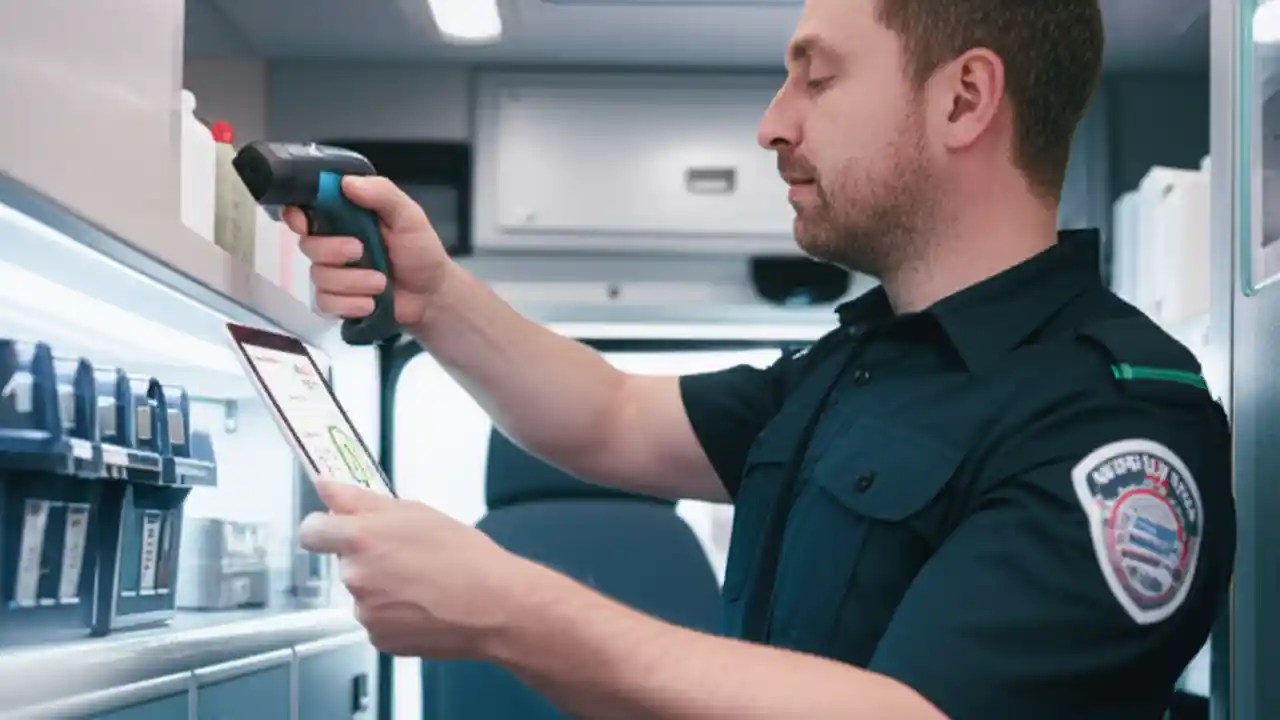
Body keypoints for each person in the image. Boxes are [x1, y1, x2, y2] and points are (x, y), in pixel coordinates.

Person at [290, 0, 1236, 717]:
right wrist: (435, 300)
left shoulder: (1116, 418)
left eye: (816, 80)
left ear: (964, 100)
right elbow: (612, 416)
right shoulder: (855, 365)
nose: (773, 123)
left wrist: (505, 606)